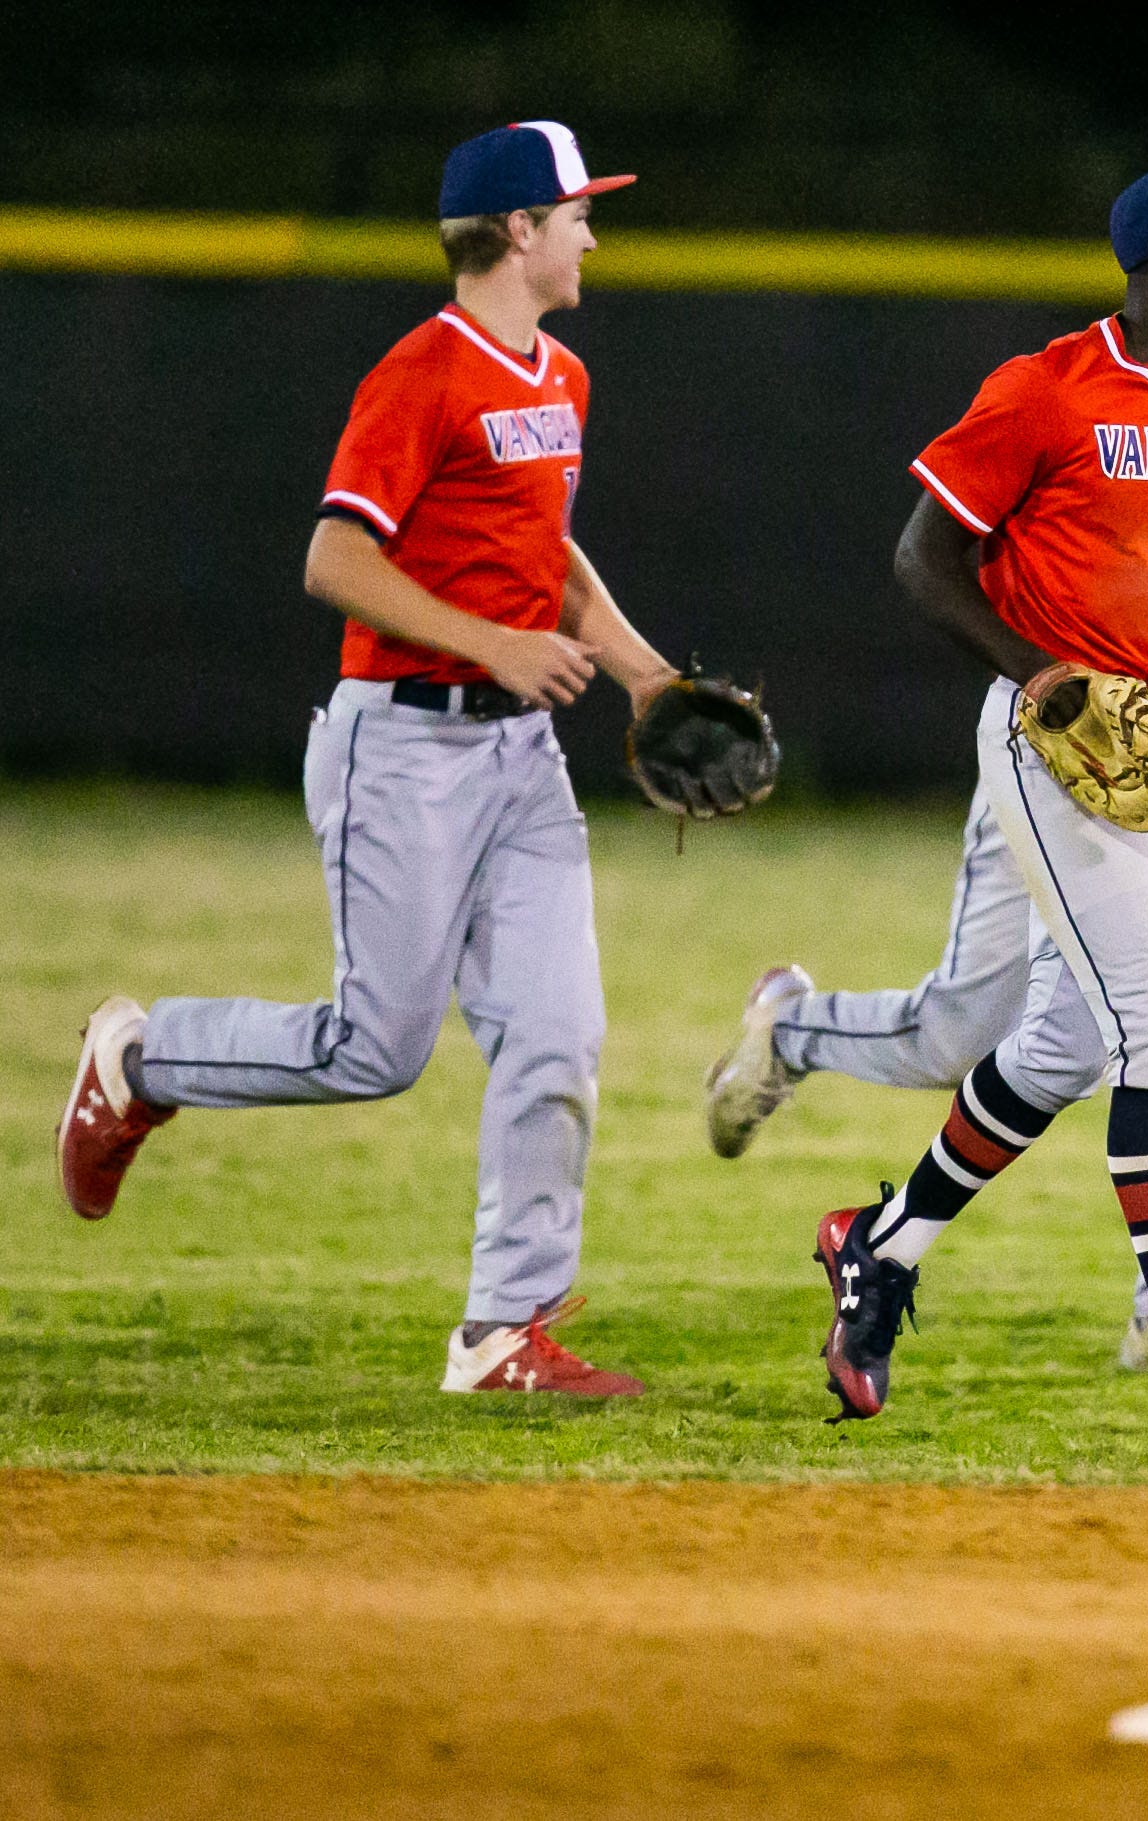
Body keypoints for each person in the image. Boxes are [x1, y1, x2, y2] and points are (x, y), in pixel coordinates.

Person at [56, 121, 685, 1398]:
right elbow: (334, 559)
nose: (592, 234)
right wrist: (494, 646)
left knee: (558, 1036)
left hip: (520, 760)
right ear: (519, 229)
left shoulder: (561, 376)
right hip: (402, 746)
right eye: (577, 213)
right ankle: (140, 1060)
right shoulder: (423, 372)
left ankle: (503, 1331)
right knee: (374, 1050)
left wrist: (643, 671)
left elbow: (545, 552)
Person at [805, 154, 1148, 1458]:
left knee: (1072, 1049)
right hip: (1055, 741)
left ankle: (883, 1245)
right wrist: (1035, 672)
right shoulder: (1046, 389)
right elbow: (923, 556)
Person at [705, 312, 1148, 1379]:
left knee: (1136, 1041)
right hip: (1051, 759)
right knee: (976, 1035)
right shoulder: (1071, 394)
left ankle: (1137, 1312)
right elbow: (969, 565)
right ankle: (794, 1034)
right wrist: (1042, 678)